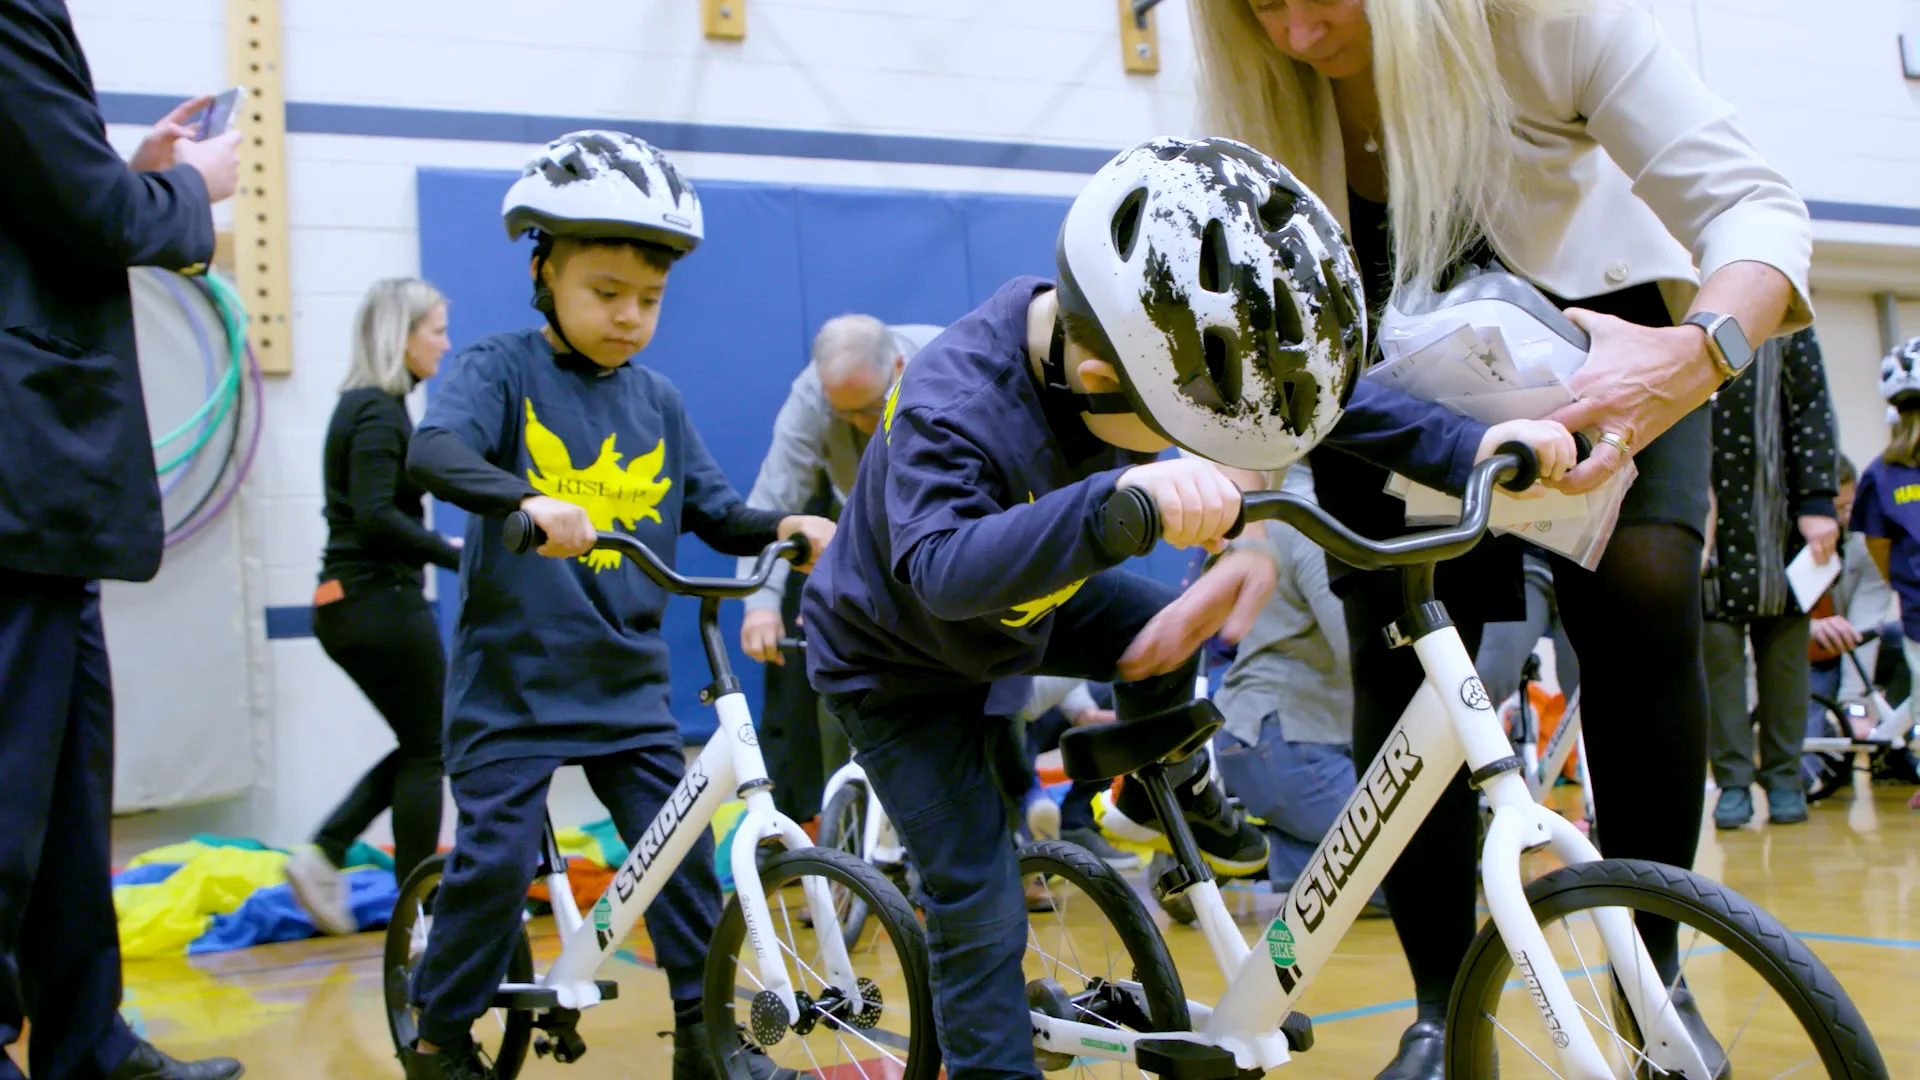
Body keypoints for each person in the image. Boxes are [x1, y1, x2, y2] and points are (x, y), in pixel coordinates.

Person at [799, 136, 1576, 1080]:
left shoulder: (1128, 342)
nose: (1197, 447)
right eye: (1182, 431)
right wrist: (1118, 506)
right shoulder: (950, 407)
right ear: (1094, 384)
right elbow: (941, 570)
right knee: (976, 899)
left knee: (1172, 624)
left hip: (1027, 609)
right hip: (896, 664)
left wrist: (1475, 443)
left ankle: (1154, 783)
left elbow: (1322, 410)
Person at [1190, 3, 1811, 1075]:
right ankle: (1437, 1006)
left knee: (1645, 593)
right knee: (1403, 645)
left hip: (1603, 343)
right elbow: (1248, 328)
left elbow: (1756, 205)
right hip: (1387, 381)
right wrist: (1233, 492)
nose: (1292, 35)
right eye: (1259, 5)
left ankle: (1650, 979)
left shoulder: (1545, 18)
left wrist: (1693, 354)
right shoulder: (1256, 91)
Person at [396, 130, 831, 1080]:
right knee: (498, 861)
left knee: (675, 854)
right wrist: (523, 497)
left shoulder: (658, 401)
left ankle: (707, 1035)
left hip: (624, 681)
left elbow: (715, 513)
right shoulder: (499, 370)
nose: (631, 317)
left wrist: (791, 524)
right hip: (514, 683)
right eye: (607, 294)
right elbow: (432, 455)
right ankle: (435, 1038)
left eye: (650, 300)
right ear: (544, 271)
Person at [0, 3, 248, 1077]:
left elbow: (47, 179)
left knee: (59, 796)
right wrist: (194, 185)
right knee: (13, 789)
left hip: (47, 493)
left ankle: (85, 1039)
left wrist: (133, 166)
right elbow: (90, 214)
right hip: (19, 466)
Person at [284, 279, 460, 934]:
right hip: (375, 600)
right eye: (436, 330)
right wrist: (453, 552)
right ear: (402, 334)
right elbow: (377, 518)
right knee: (432, 746)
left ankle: (326, 851)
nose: (445, 343)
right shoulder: (378, 410)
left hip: (354, 603)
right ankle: (416, 911)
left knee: (424, 740)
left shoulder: (369, 407)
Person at [736, 314, 942, 820]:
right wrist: (759, 605)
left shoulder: (946, 363)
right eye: (842, 413)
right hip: (853, 523)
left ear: (898, 366)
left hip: (944, 521)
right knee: (817, 652)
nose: (857, 425)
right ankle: (833, 831)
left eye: (869, 410)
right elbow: (771, 502)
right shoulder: (812, 395)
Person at [1701, 327, 1838, 828]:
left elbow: (1813, 409)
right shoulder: (1680, 309)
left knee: (1784, 665)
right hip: (1710, 525)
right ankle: (1733, 782)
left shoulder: (1789, 326)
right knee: (1718, 667)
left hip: (1781, 519)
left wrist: (1819, 500)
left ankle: (1784, 777)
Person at [1806, 456, 1891, 714]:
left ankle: (1892, 745)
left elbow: (1863, 627)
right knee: (1809, 750)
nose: (1845, 518)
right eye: (1834, 510)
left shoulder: (1868, 543)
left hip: (1848, 646)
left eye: (1848, 506)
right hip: (1802, 655)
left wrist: (1855, 703)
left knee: (1904, 640)